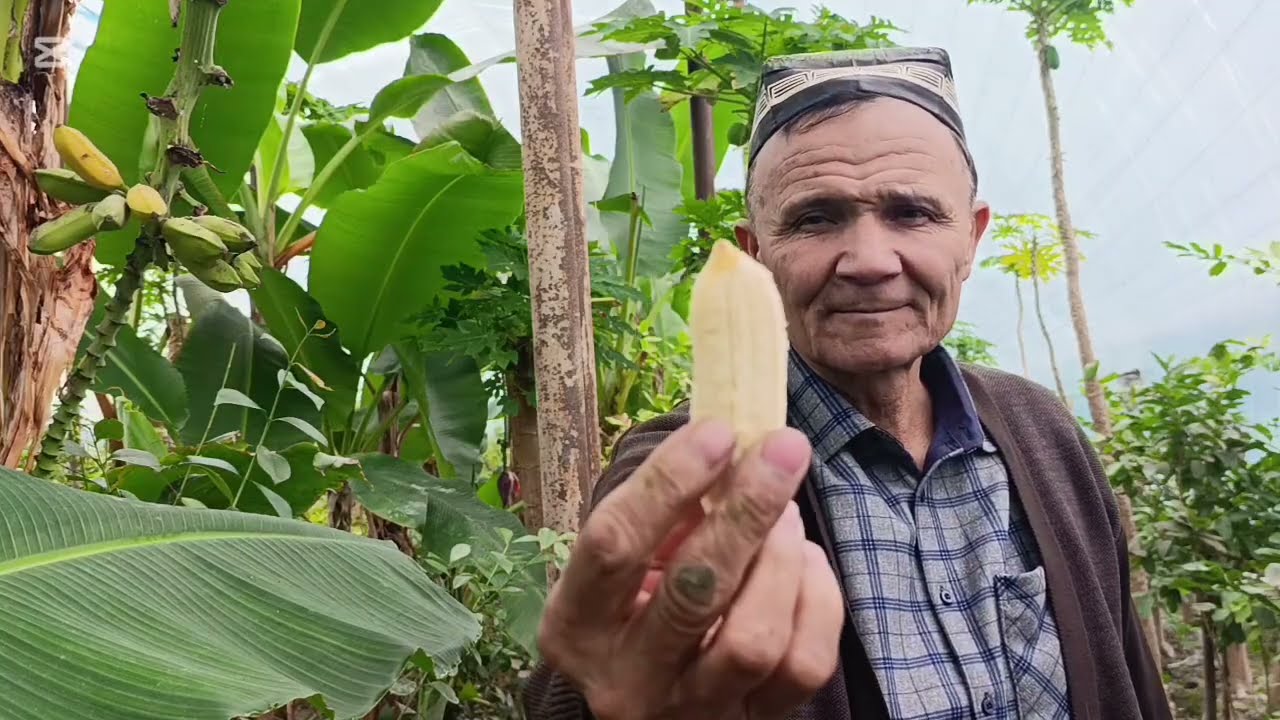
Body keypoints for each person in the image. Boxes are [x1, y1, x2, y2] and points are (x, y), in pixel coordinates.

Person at [522, 47, 1171, 720]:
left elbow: (1126, 668)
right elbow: (601, 675)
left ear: (971, 239)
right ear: (755, 253)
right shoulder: (680, 470)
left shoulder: (1043, 433)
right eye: (815, 218)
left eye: (913, 213)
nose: (868, 261)